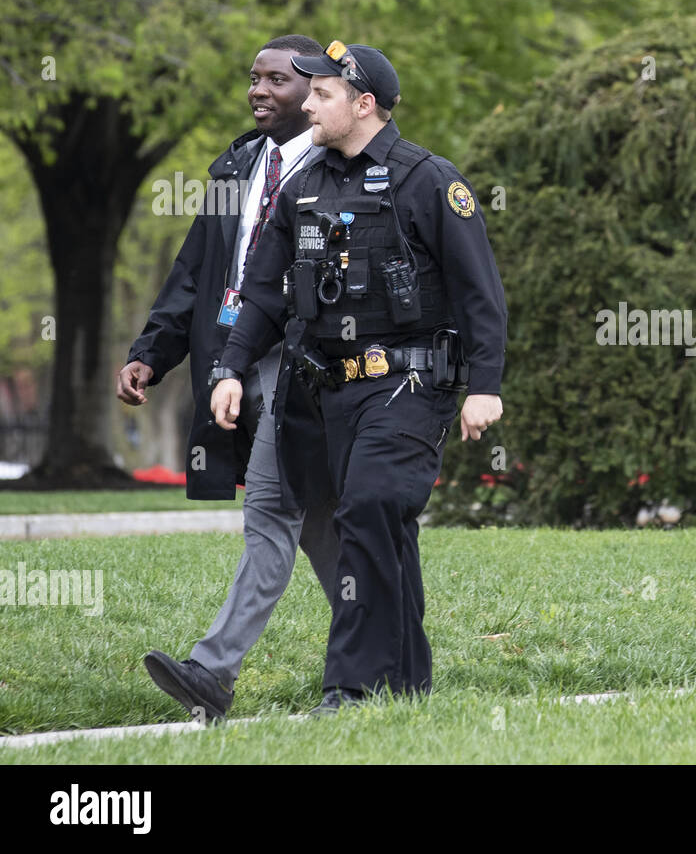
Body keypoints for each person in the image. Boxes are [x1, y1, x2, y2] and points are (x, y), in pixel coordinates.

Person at [210, 40, 507, 715]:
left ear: (363, 103)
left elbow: (480, 295)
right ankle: (407, 683)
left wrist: (485, 386)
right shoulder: (304, 185)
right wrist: (230, 369)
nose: (306, 105)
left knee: (368, 507)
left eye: (321, 95)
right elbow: (263, 295)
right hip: (333, 392)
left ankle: (352, 686)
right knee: (384, 528)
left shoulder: (429, 181)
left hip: (410, 385)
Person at [118, 35, 340, 721]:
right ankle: (389, 655)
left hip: (303, 364)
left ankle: (212, 673)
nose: (259, 91)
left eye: (277, 80)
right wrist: (151, 353)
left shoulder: (344, 169)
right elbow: (196, 274)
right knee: (321, 522)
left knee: (274, 513)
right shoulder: (237, 168)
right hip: (233, 361)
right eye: (254, 79)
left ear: (314, 90)